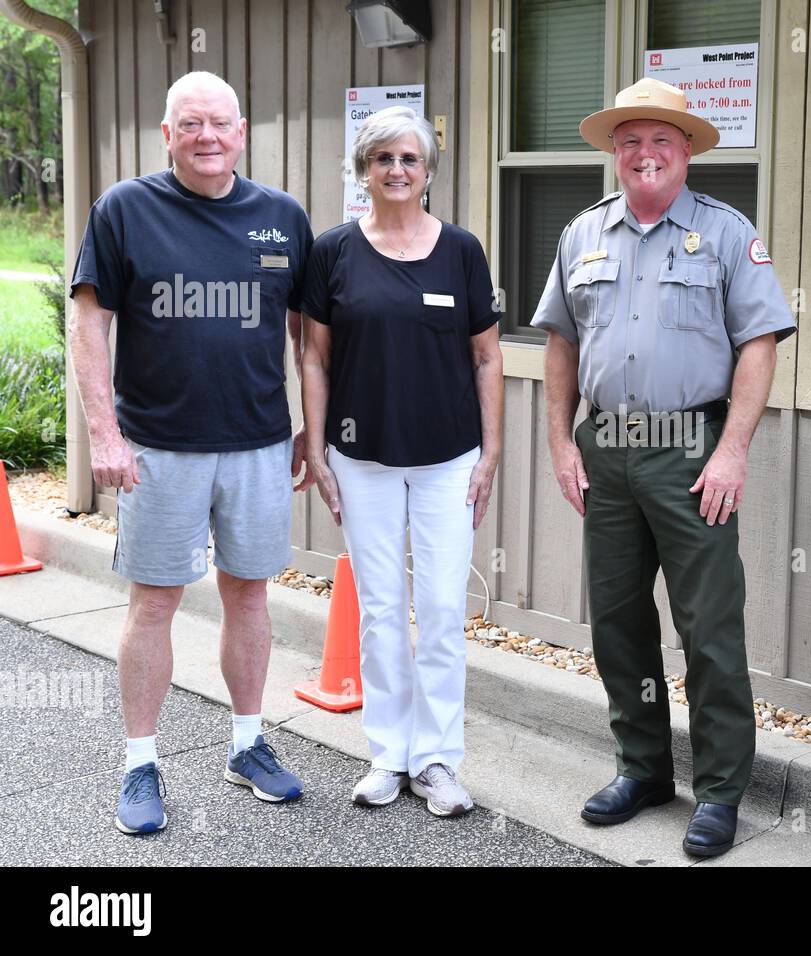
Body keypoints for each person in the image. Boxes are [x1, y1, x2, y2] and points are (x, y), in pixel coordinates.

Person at [532, 77, 797, 857]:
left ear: (685, 153)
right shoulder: (582, 235)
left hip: (692, 449)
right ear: (614, 153)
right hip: (605, 449)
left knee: (708, 626)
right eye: (630, 142)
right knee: (617, 622)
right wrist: (560, 442)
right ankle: (643, 768)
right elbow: (561, 345)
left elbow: (758, 344)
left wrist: (732, 451)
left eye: (660, 142)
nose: (644, 154)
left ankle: (719, 791)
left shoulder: (723, 232)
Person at [67, 71, 312, 835]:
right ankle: (140, 760)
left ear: (242, 132)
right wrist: (104, 434)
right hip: (160, 448)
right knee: (154, 603)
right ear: (166, 134)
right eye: (190, 124)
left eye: (221, 123)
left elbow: (310, 337)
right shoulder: (125, 210)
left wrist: (313, 427)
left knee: (249, 594)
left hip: (259, 445)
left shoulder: (281, 217)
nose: (208, 136)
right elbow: (88, 325)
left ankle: (247, 745)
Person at [299, 106, 502, 815]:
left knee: (443, 609)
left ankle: (438, 760)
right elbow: (315, 357)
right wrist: (318, 447)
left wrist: (492, 449)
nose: (396, 170)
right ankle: (390, 754)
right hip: (362, 457)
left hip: (450, 456)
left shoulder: (462, 251)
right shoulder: (333, 252)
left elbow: (486, 355)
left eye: (408, 159)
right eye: (382, 158)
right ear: (364, 169)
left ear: (428, 172)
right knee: (383, 612)